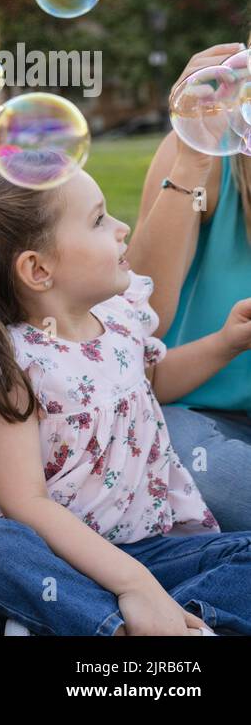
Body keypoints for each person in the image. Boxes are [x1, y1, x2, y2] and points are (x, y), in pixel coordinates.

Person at [0, 159, 251, 636]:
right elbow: (25, 503)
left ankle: (135, 622)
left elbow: (153, 383)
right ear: (38, 269)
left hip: (154, 548)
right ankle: (127, 625)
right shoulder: (13, 363)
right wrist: (131, 583)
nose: (123, 228)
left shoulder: (121, 317)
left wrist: (226, 342)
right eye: (100, 219)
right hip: (53, 561)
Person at [127, 41, 251, 532]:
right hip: (196, 416)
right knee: (208, 473)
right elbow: (142, 314)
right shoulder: (213, 154)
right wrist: (193, 158)